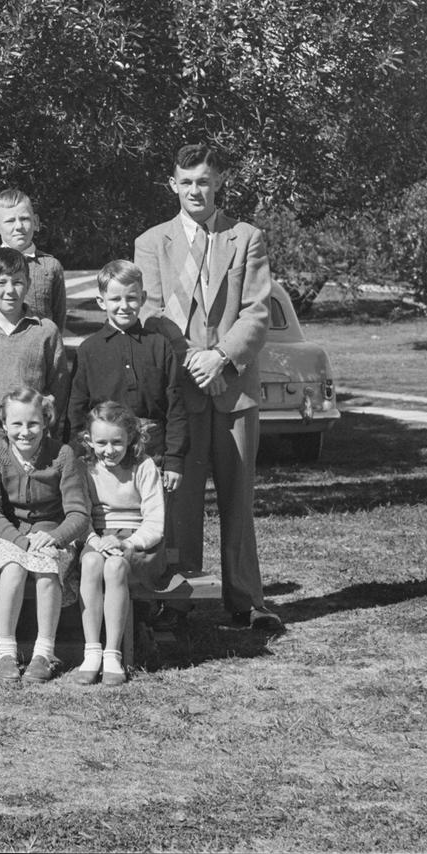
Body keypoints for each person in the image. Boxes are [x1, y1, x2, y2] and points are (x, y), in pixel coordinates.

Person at [133, 140, 283, 632]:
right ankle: (176, 599)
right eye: (187, 181)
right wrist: (192, 359)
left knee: (238, 501)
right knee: (179, 502)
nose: (195, 190)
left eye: (204, 181)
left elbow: (257, 311)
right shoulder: (152, 241)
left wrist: (221, 358)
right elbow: (148, 310)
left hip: (233, 388)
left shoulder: (246, 237)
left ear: (220, 183)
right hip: (181, 388)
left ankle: (245, 600)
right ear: (172, 184)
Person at [67, 259, 191, 571]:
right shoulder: (89, 349)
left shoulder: (158, 346)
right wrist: (79, 456)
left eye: (132, 298)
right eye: (116, 298)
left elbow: (175, 405)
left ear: (143, 298)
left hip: (153, 449)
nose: (124, 305)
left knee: (154, 520)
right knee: (108, 520)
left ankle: (154, 602)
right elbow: (77, 408)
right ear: (101, 302)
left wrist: (174, 460)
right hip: (103, 451)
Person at [0, 387, 88, 683]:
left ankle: (44, 652)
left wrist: (56, 537)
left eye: (33, 423)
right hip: (8, 534)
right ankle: (5, 653)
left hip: (51, 535)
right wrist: (19, 541)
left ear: (46, 421)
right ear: (2, 423)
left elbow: (78, 513)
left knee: (46, 567)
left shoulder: (62, 454)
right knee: (12, 569)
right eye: (16, 424)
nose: (25, 432)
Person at [75, 402, 165, 687]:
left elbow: (155, 523)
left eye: (117, 442)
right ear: (89, 441)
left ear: (130, 439)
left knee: (114, 568)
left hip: (138, 543)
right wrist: (94, 541)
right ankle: (92, 650)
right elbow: (80, 514)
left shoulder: (144, 466)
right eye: (101, 442)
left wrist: (129, 544)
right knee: (90, 562)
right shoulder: (84, 468)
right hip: (98, 537)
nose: (109, 450)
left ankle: (112, 652)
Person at [0, 247, 65, 451]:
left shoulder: (45, 331)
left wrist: (46, 420)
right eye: (0, 283)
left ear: (28, 285)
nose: (10, 290)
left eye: (17, 282)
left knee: (30, 481)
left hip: (31, 428)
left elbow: (58, 385)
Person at [0, 188, 68, 337]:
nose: (18, 226)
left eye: (24, 219)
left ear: (36, 222)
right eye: (10, 221)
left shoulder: (50, 266)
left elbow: (59, 318)